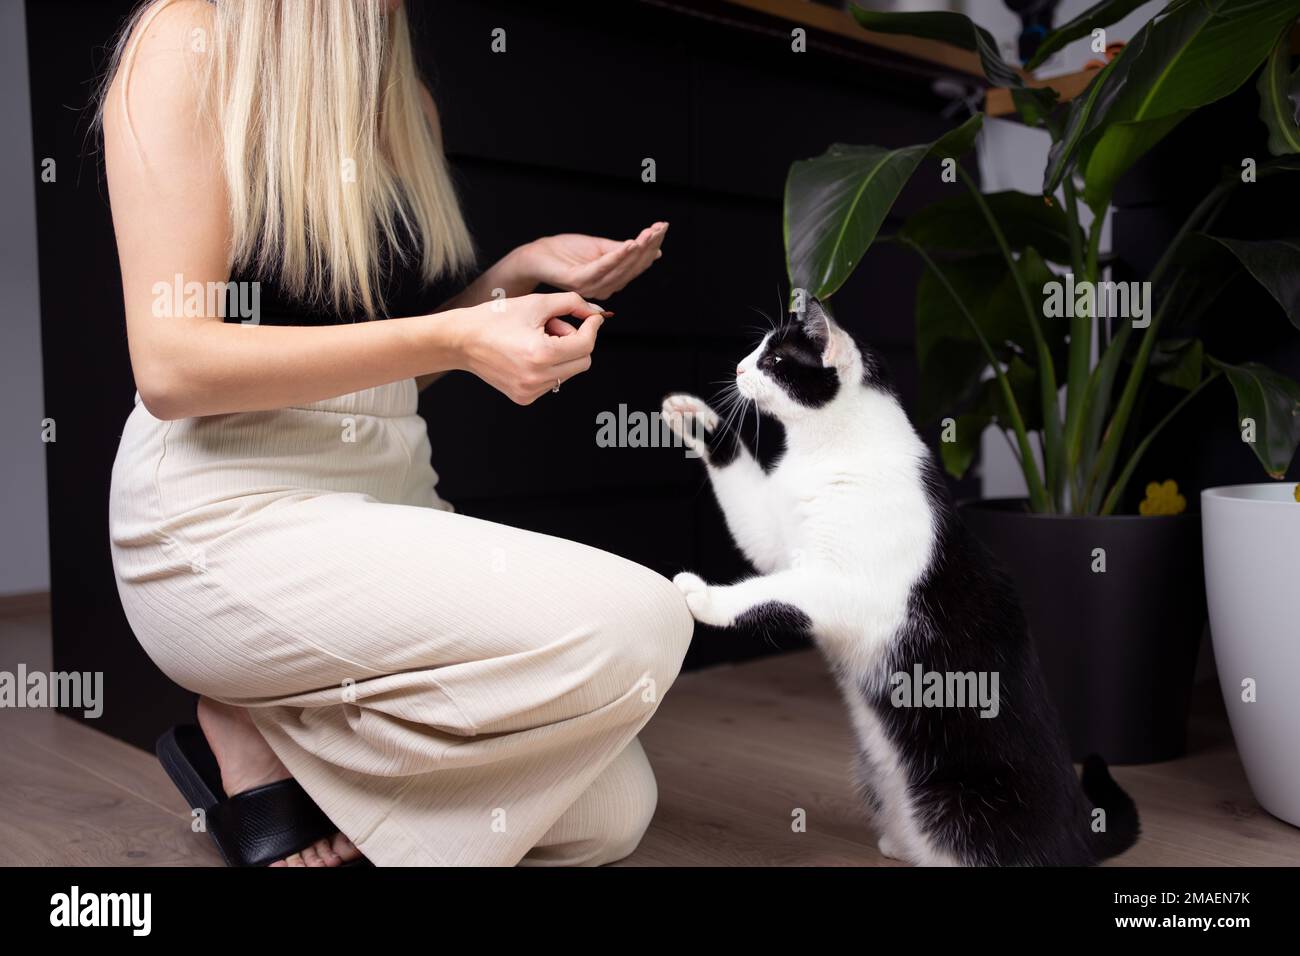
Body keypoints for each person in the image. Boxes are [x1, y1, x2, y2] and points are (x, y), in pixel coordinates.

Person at [102, 0, 693, 867]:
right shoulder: (186, 40)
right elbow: (171, 369)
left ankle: (271, 717)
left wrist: (513, 278)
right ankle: (259, 718)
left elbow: (379, 365)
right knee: (641, 621)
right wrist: (456, 338)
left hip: (383, 487)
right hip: (221, 508)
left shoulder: (402, 97)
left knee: (609, 814)